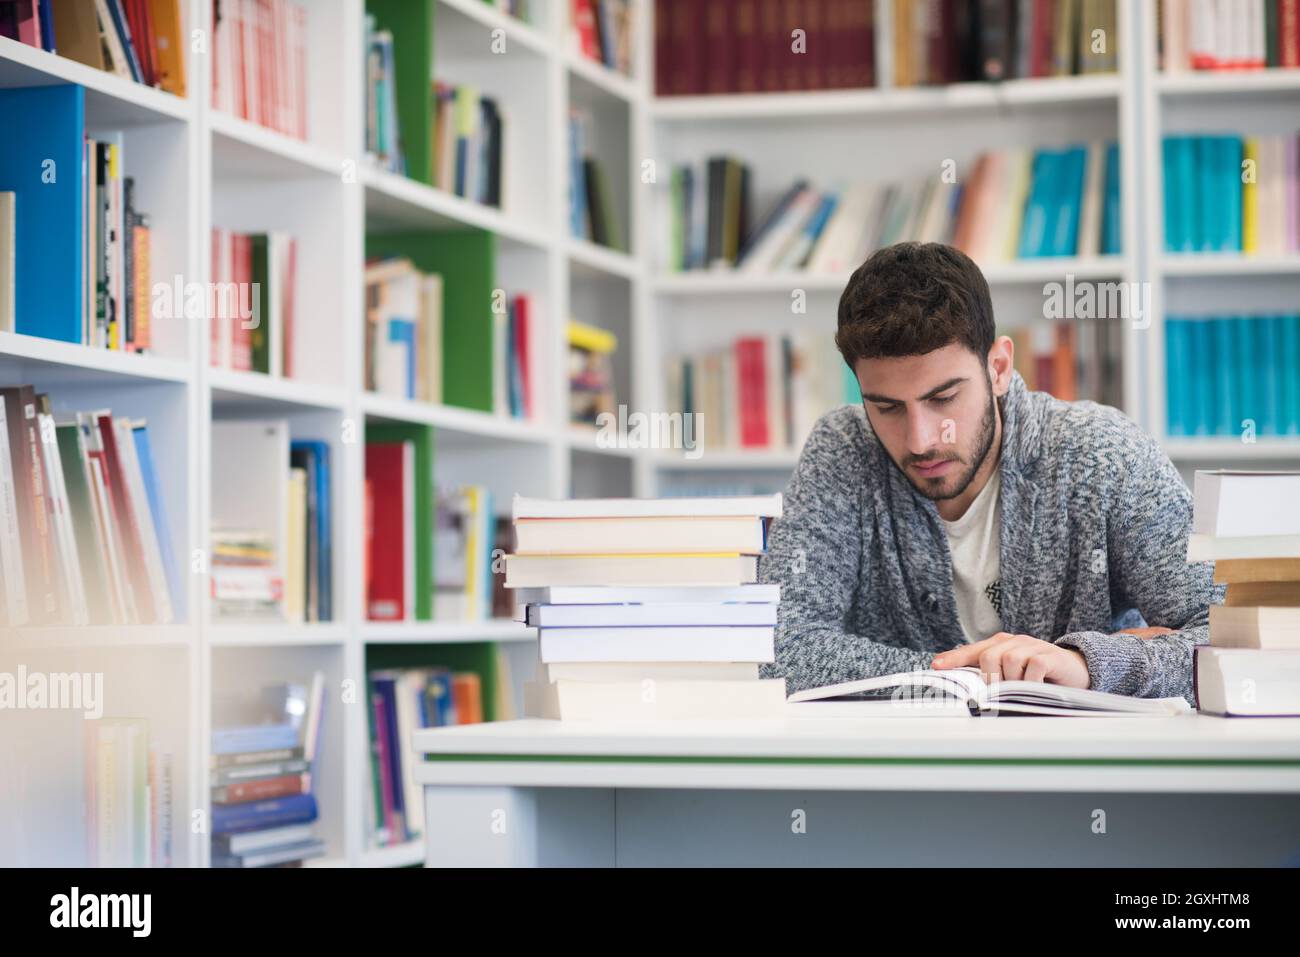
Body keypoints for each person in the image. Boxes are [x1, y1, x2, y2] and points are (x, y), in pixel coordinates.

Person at [759, 241, 1219, 704]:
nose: (920, 440)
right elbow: (773, 649)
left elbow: (1234, 639)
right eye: (887, 407)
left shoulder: (1103, 453)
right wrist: (989, 675)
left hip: (1083, 771)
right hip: (901, 771)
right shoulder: (843, 452)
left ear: (998, 367)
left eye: (943, 398)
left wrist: (1088, 663)